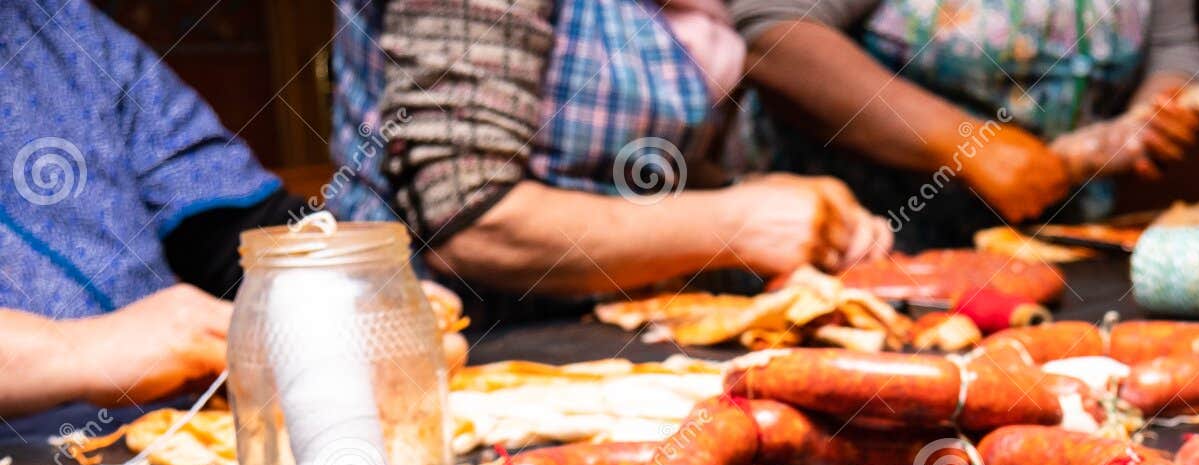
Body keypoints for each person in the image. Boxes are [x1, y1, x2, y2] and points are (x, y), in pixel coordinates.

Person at [332, 0, 891, 319]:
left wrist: (773, 201)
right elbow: (470, 224)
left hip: (611, 326)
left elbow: (621, 167)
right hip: (456, 343)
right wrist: (739, 224)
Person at [0, 1, 306, 430]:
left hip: (170, 433)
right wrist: (76, 350)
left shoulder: (60, 25)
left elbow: (232, 225)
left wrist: (346, 284)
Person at [730, 0, 1199, 243]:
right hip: (859, 249)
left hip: (1055, 249)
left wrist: (1153, 116)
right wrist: (963, 143)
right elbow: (773, 36)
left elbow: (1173, 47)